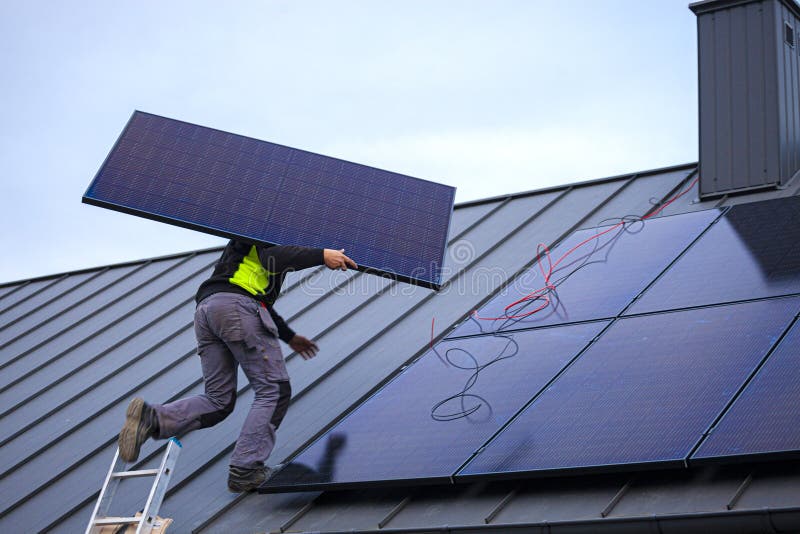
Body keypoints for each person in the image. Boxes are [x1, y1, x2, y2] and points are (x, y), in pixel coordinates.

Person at [117, 240, 357, 492]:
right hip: (236, 306)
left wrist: (288, 336)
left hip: (208, 310)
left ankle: (151, 418)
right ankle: (246, 469)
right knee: (274, 389)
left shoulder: (249, 241)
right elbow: (271, 258)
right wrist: (321, 255)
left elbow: (260, 291)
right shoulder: (269, 223)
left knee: (218, 401)